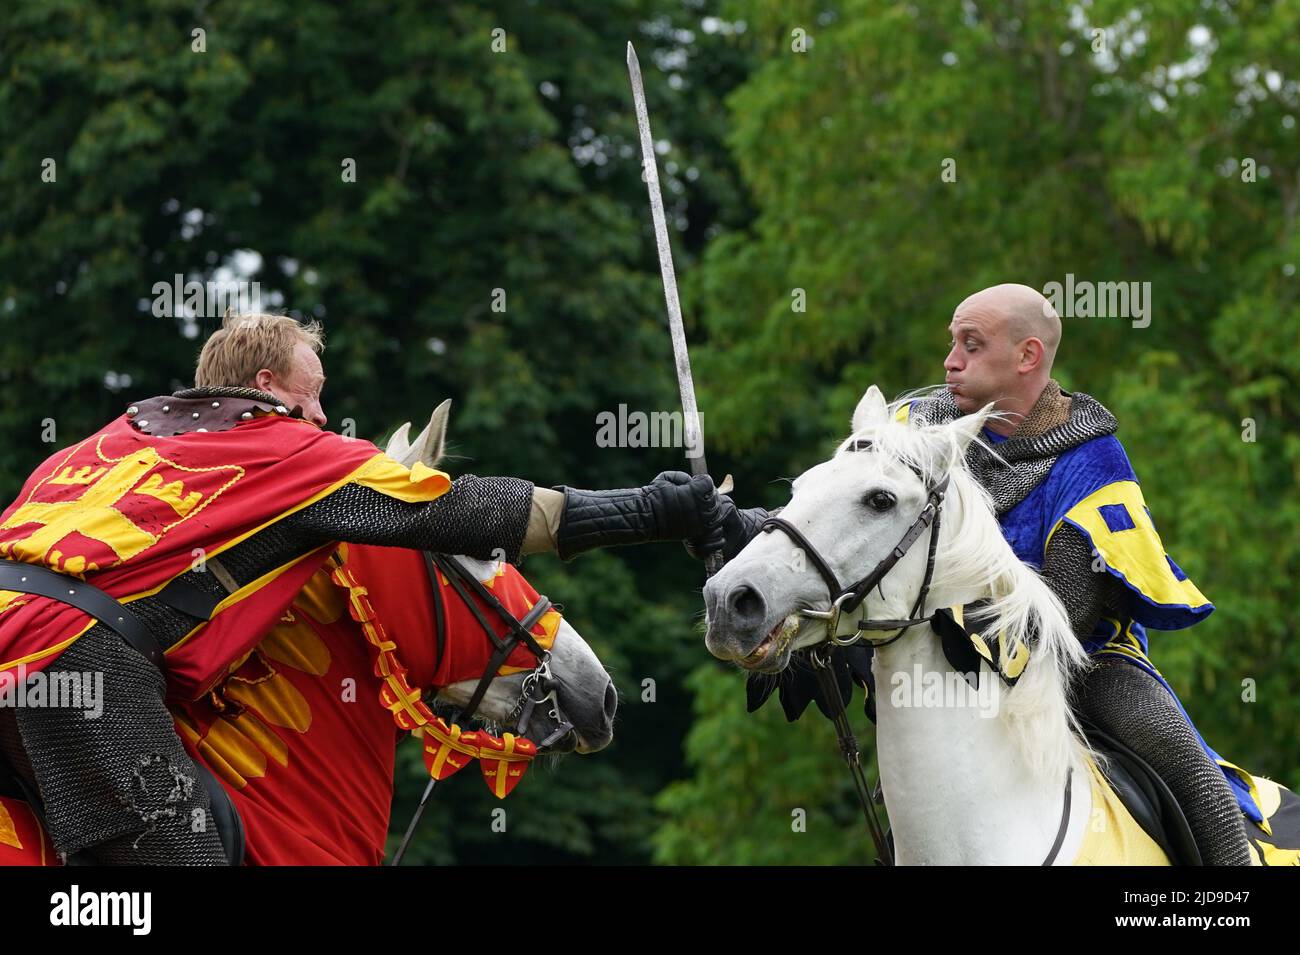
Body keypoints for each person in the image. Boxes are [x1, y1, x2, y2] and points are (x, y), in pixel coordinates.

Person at [0, 310, 724, 864]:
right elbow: (462, 511)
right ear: (268, 390)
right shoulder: (289, 449)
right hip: (76, 658)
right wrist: (650, 510)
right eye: (314, 397)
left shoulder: (98, 444)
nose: (322, 416)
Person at [699, 283, 1256, 865]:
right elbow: (836, 524)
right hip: (920, 640)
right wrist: (738, 528)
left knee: (1191, 772)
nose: (950, 361)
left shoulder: (1092, 460)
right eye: (952, 343)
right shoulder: (912, 428)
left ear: (1027, 356)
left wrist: (968, 631)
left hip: (1080, 659)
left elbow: (1067, 611)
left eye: (971, 344)